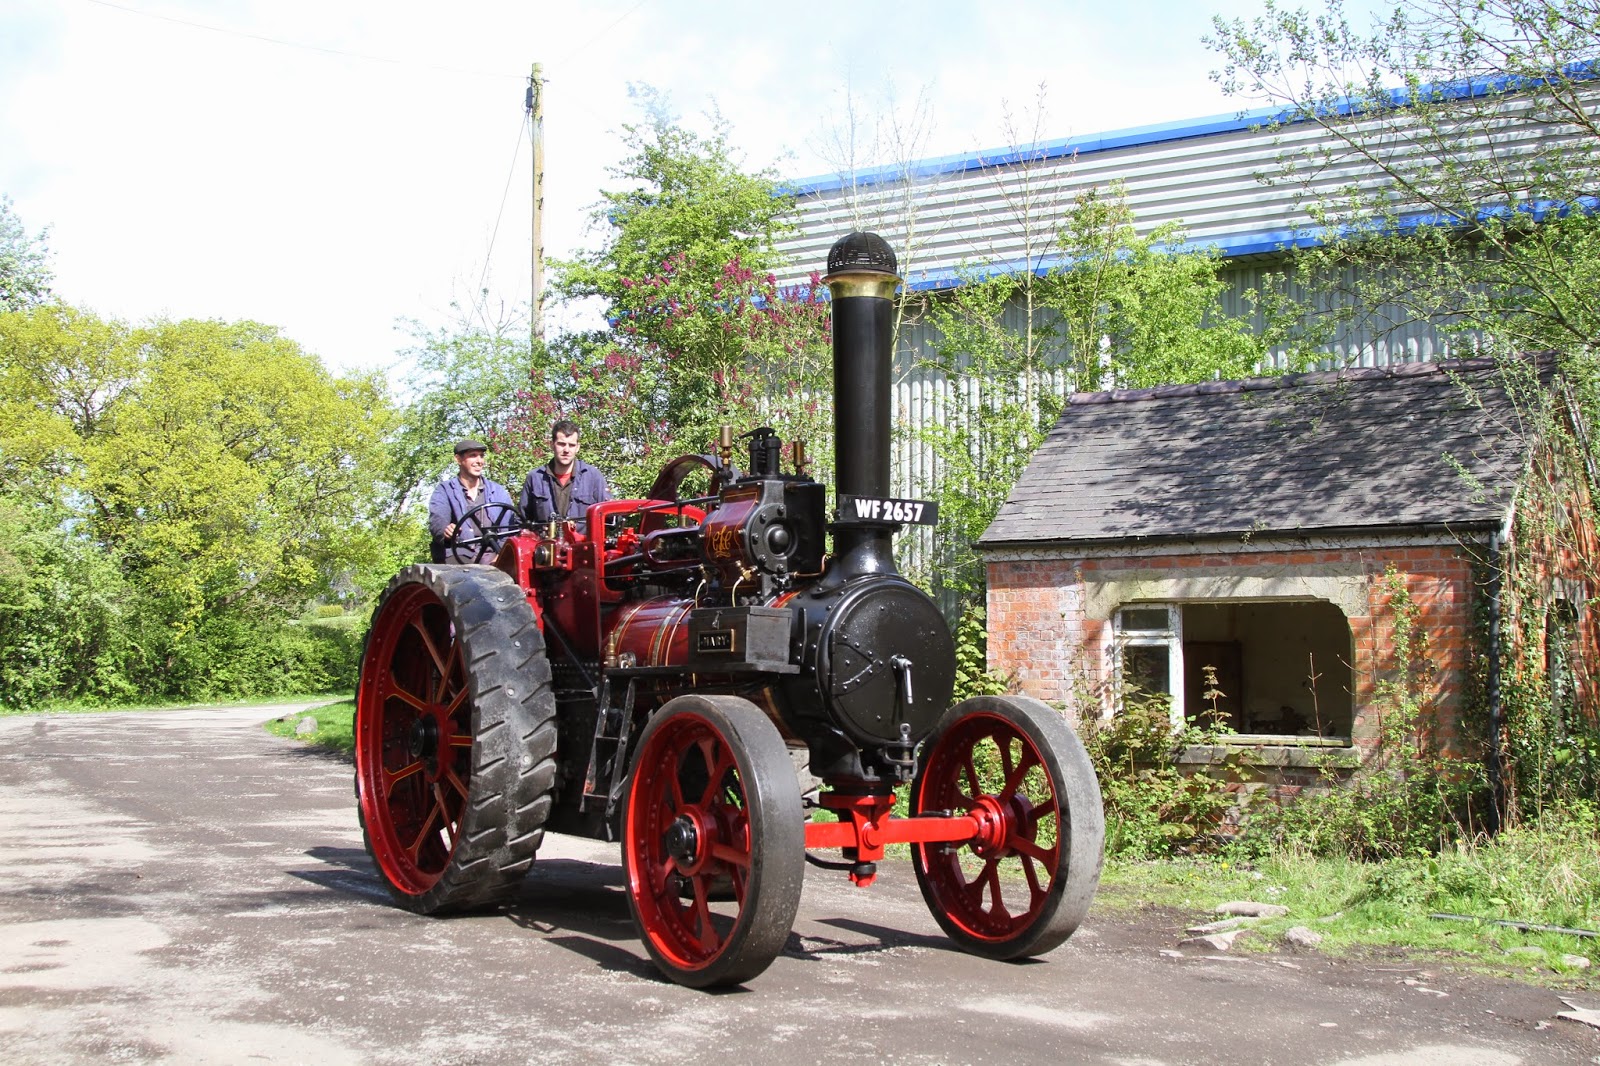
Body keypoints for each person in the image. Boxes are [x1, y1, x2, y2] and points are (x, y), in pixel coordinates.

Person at [429, 439, 516, 563]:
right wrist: (447, 531)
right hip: (460, 551)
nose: (479, 461)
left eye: (481, 456)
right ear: (458, 459)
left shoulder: (498, 491)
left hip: (493, 553)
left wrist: (501, 555)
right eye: (473, 456)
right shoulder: (445, 490)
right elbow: (437, 522)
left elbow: (509, 528)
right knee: (462, 578)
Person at [520, 419, 611, 526]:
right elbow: (522, 522)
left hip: (583, 542)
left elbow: (609, 519)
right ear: (552, 445)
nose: (566, 450)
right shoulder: (535, 478)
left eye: (571, 445)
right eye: (561, 444)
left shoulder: (593, 477)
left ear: (577, 447)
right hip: (544, 542)